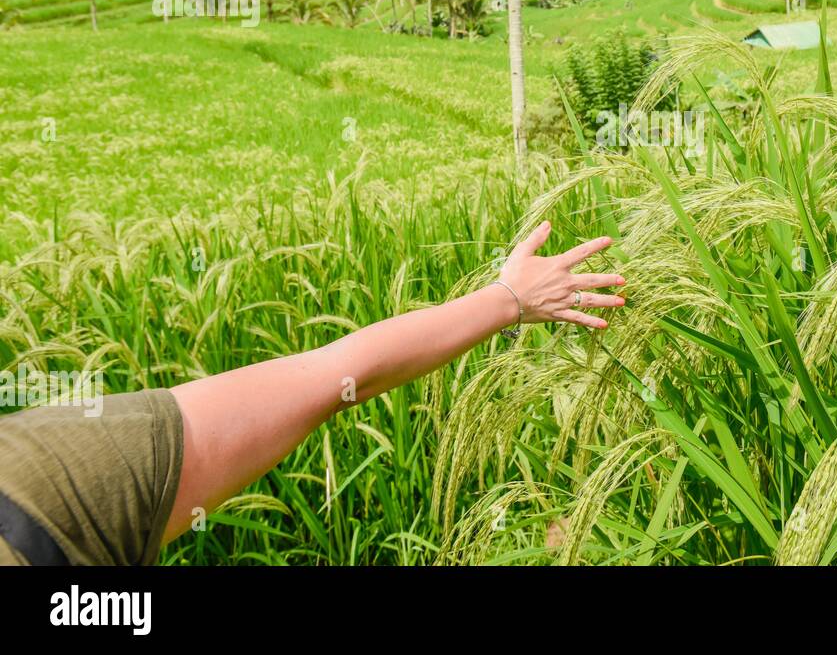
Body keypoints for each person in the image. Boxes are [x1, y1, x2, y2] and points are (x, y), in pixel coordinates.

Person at [0, 222, 624, 565]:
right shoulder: (38, 476)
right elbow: (335, 376)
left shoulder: (46, 477)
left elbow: (334, 377)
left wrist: (508, 299)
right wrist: (507, 298)